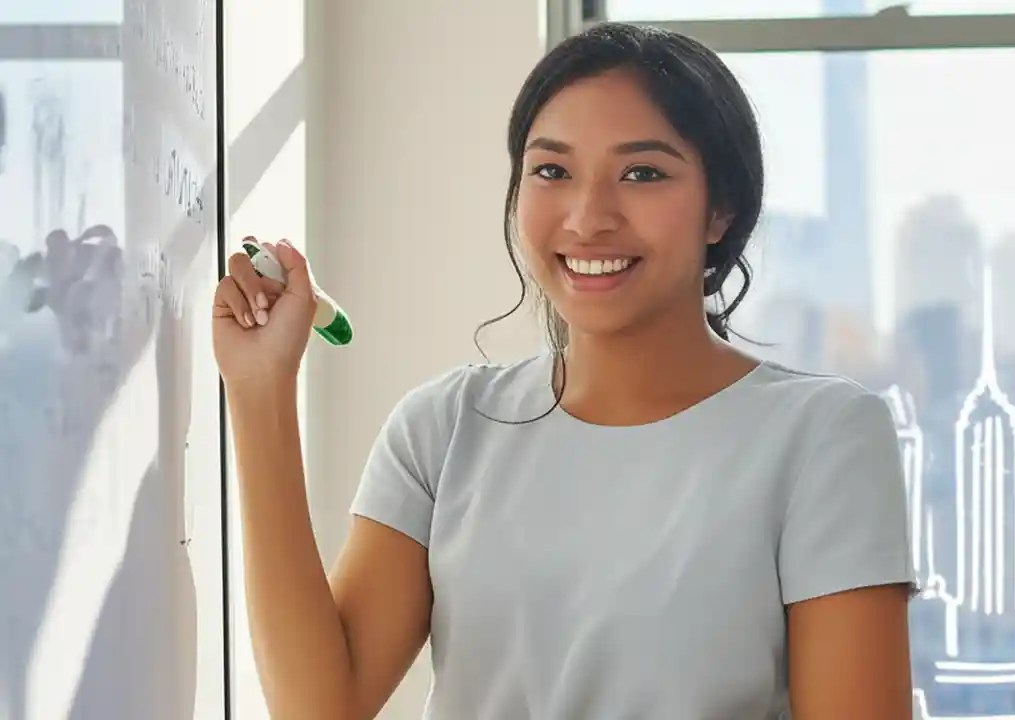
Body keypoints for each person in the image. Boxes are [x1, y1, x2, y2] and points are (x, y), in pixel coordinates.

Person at [213, 21, 916, 720]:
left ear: (721, 209)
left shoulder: (823, 436)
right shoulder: (443, 430)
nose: (588, 217)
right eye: (552, 171)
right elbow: (317, 708)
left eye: (643, 173)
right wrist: (259, 390)